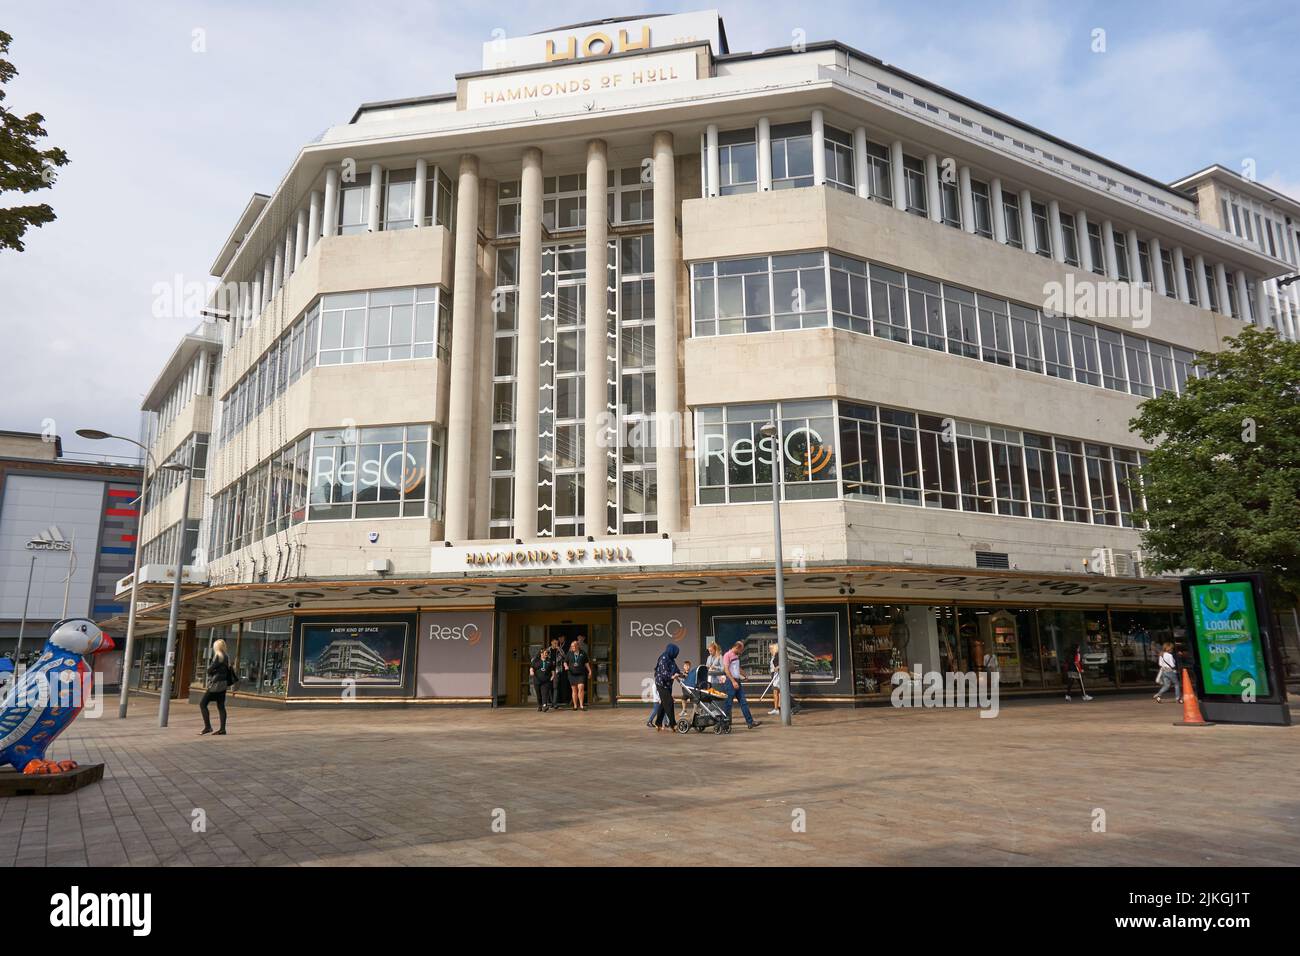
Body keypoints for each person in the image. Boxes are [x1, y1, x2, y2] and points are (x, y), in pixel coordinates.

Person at [199, 639, 238, 736]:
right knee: (221, 706)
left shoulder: (218, 656)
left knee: (203, 704)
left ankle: (208, 727)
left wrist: (210, 671)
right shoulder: (226, 657)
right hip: (223, 684)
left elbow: (209, 670)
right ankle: (222, 729)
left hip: (215, 684)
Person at [721, 640, 760, 729]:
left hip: (737, 681)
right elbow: (726, 670)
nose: (742, 652)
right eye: (741, 650)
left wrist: (745, 675)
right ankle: (724, 723)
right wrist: (733, 681)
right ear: (737, 647)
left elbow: (737, 668)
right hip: (731, 682)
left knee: (743, 702)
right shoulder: (727, 655)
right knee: (728, 703)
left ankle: (750, 722)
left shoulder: (736, 656)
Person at [649, 642, 683, 731]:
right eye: (676, 652)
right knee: (669, 702)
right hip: (661, 684)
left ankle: (658, 723)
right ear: (671, 651)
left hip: (668, 685)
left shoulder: (672, 660)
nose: (676, 654)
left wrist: (682, 675)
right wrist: (672, 676)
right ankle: (673, 724)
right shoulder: (663, 658)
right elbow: (664, 672)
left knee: (664, 704)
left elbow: (676, 669)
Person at [566, 639, 591, 711]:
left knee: (581, 688)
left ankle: (581, 705)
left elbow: (586, 663)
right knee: (574, 690)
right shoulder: (569, 653)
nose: (572, 648)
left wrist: (590, 671)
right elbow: (565, 661)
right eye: (571, 646)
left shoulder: (583, 653)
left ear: (577, 646)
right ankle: (575, 706)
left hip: (581, 674)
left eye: (573, 646)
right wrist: (566, 666)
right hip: (572, 674)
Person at [530, 646, 555, 711]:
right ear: (541, 654)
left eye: (547, 653)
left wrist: (552, 676)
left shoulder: (549, 661)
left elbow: (552, 670)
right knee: (539, 694)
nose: (546, 654)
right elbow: (531, 668)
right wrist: (531, 672)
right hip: (537, 680)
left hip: (546, 680)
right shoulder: (536, 660)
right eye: (545, 653)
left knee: (545, 693)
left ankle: (544, 706)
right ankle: (539, 705)